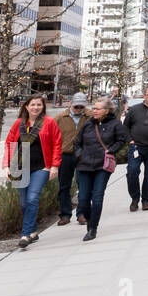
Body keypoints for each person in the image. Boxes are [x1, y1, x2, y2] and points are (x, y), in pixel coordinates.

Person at [3, 94, 62, 249]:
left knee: (32, 199)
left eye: (39, 105)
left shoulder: (49, 123)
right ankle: (33, 231)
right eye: (33, 105)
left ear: (43, 107)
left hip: (41, 167)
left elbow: (57, 143)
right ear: (26, 107)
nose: (36, 107)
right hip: (19, 167)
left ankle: (25, 235)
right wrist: (6, 166)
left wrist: (54, 166)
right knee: (24, 203)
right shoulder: (18, 124)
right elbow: (9, 144)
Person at [73, 96, 126, 241]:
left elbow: (122, 140)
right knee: (83, 199)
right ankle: (89, 221)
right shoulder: (88, 124)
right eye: (94, 108)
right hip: (84, 166)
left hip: (102, 166)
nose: (94, 111)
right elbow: (77, 142)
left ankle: (92, 228)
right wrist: (79, 155)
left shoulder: (115, 124)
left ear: (107, 110)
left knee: (97, 197)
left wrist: (111, 150)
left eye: (97, 108)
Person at [55, 93, 91, 225]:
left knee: (84, 185)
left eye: (81, 106)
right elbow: (52, 137)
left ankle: (81, 213)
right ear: (71, 103)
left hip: (84, 155)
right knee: (64, 185)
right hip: (66, 155)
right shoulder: (60, 118)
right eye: (76, 106)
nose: (79, 109)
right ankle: (65, 214)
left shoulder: (90, 116)